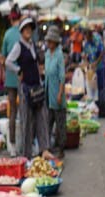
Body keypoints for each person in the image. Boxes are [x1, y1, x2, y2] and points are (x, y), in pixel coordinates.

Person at [6, 17, 44, 157]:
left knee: (37, 119)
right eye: (26, 28)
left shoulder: (32, 44)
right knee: (26, 121)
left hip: (36, 87)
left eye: (30, 28)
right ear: (21, 31)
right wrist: (18, 70)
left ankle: (38, 148)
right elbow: (8, 62)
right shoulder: (19, 45)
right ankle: (26, 154)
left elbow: (35, 63)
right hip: (25, 88)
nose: (28, 31)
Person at [44, 26, 66, 157]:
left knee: (60, 123)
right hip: (48, 92)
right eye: (48, 41)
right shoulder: (47, 54)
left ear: (55, 42)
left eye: (50, 41)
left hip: (57, 93)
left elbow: (62, 76)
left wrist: (60, 93)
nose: (48, 43)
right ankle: (48, 147)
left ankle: (61, 148)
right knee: (48, 122)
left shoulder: (59, 55)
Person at [2, 11, 22, 151]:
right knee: (24, 111)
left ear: (10, 20)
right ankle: (26, 143)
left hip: (10, 78)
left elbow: (4, 56)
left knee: (12, 112)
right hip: (22, 77)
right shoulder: (23, 33)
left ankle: (13, 146)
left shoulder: (7, 34)